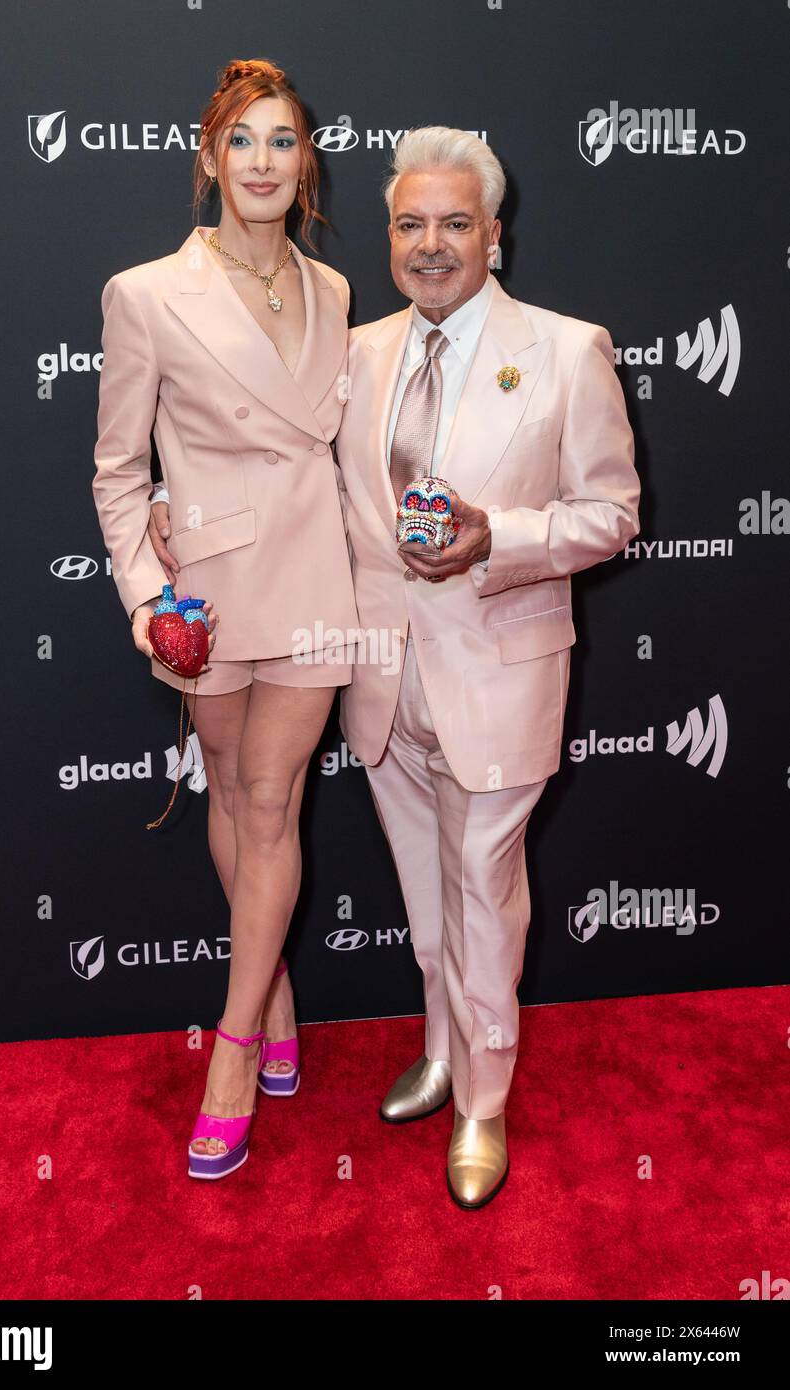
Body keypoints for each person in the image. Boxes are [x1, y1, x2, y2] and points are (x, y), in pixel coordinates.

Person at [333, 127, 641, 1207]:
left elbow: (610, 513)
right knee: (424, 893)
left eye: (454, 224)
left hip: (500, 669)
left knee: (483, 891)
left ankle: (484, 1097)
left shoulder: (565, 349)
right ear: (388, 236)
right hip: (380, 674)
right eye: (410, 224)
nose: (430, 246)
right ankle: (440, 1049)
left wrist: (495, 538)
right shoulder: (359, 348)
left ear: (493, 237)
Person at [92, 58, 359, 1180]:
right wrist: (147, 600)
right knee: (234, 794)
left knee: (268, 797)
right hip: (205, 590)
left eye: (281, 142)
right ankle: (278, 990)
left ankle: (235, 1047)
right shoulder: (145, 293)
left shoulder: (340, 291)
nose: (261, 161)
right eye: (240, 141)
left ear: (305, 166)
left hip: (315, 581)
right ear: (208, 159)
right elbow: (117, 470)